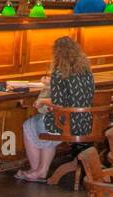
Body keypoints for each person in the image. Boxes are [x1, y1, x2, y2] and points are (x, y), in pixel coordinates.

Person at [17, 37, 95, 182]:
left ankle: (38, 170)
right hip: (86, 122)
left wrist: (42, 101)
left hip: (68, 123)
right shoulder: (87, 72)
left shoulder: (60, 73)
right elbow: (72, 93)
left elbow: (59, 103)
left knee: (31, 125)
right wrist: (51, 83)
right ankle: (40, 170)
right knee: (43, 122)